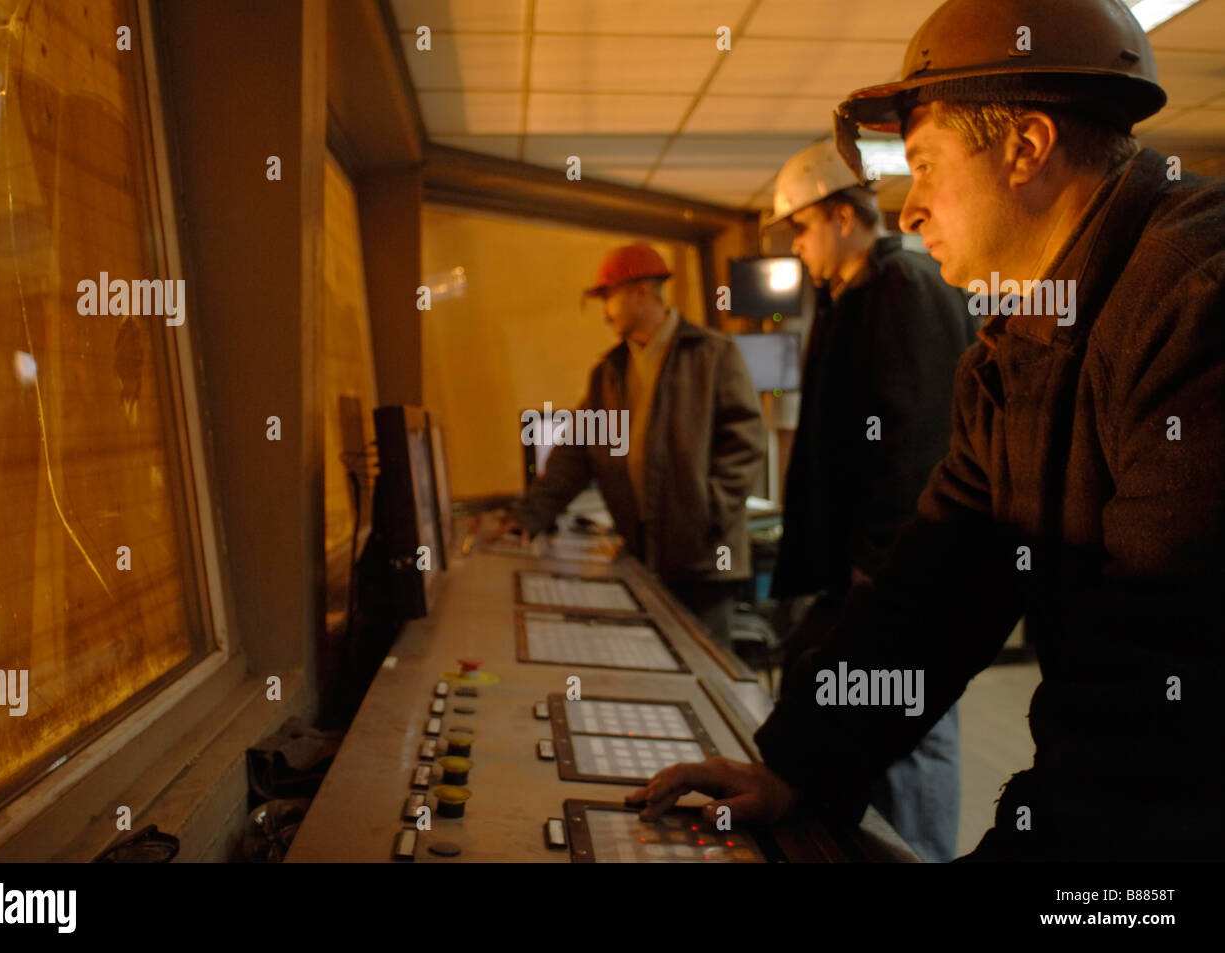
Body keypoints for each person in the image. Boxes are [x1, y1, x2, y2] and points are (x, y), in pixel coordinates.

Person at [630, 0, 1224, 861]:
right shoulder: (1017, 347)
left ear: (1024, 147)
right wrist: (795, 765)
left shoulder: (1197, 301)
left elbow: (1156, 707)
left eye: (924, 166)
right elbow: (934, 590)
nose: (908, 213)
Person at [766, 140, 979, 862]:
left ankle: (920, 855)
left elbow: (914, 434)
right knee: (876, 713)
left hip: (898, 563)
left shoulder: (904, 285)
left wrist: (877, 560)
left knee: (909, 724)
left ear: (839, 216)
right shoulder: (856, 293)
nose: (798, 249)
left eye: (801, 230)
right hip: (870, 562)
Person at [498, 243, 766, 650]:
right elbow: (576, 453)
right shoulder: (609, 372)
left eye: (609, 296)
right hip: (645, 554)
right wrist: (529, 516)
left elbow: (745, 443)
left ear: (642, 291)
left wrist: (706, 512)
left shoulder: (712, 354)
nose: (604, 310)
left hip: (704, 562)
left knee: (710, 673)